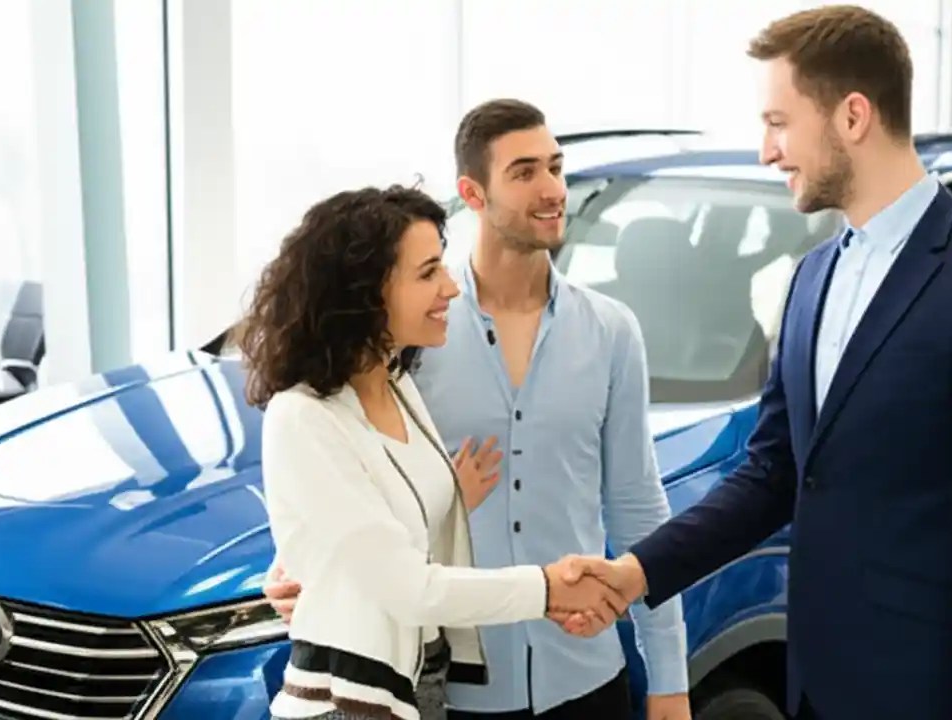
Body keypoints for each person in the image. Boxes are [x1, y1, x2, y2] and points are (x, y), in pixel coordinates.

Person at [559, 6, 952, 720]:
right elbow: (774, 473)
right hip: (819, 692)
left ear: (853, 116)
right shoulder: (812, 277)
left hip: (932, 697)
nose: (768, 151)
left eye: (779, 122)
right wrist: (635, 572)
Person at [263, 100, 691, 720]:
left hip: (586, 675)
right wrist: (299, 563)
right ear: (474, 192)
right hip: (451, 693)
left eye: (555, 167)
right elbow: (345, 482)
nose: (551, 190)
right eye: (524, 172)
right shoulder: (413, 340)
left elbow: (638, 508)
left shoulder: (611, 332)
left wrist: (669, 679)